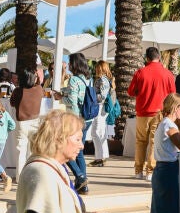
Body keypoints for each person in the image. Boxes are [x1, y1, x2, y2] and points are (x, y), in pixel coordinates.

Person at [127, 47, 176, 181]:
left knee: (140, 142)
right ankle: (150, 171)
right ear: (159, 58)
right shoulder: (167, 74)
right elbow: (173, 95)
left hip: (142, 113)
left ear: (147, 58)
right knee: (154, 142)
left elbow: (131, 92)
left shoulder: (140, 73)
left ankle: (138, 171)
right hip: (159, 113)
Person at [55, 53, 92, 193]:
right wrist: (63, 93)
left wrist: (60, 97)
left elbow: (72, 102)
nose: (69, 65)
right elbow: (79, 95)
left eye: (70, 63)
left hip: (76, 119)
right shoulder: (88, 80)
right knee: (79, 152)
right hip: (88, 118)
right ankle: (83, 185)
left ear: (74, 64)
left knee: (65, 148)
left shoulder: (73, 80)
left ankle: (80, 176)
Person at [12, 68, 46, 176]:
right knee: (32, 151)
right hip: (35, 122)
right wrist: (38, 79)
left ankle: (19, 177)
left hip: (22, 123)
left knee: (20, 151)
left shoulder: (18, 91)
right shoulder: (39, 89)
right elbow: (40, 85)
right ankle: (30, 175)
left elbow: (12, 103)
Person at [87, 61, 113, 167]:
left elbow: (102, 96)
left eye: (97, 68)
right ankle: (103, 156)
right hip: (102, 108)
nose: (95, 69)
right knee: (101, 132)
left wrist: (91, 95)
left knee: (95, 132)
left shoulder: (102, 80)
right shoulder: (105, 79)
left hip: (100, 107)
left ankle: (99, 158)